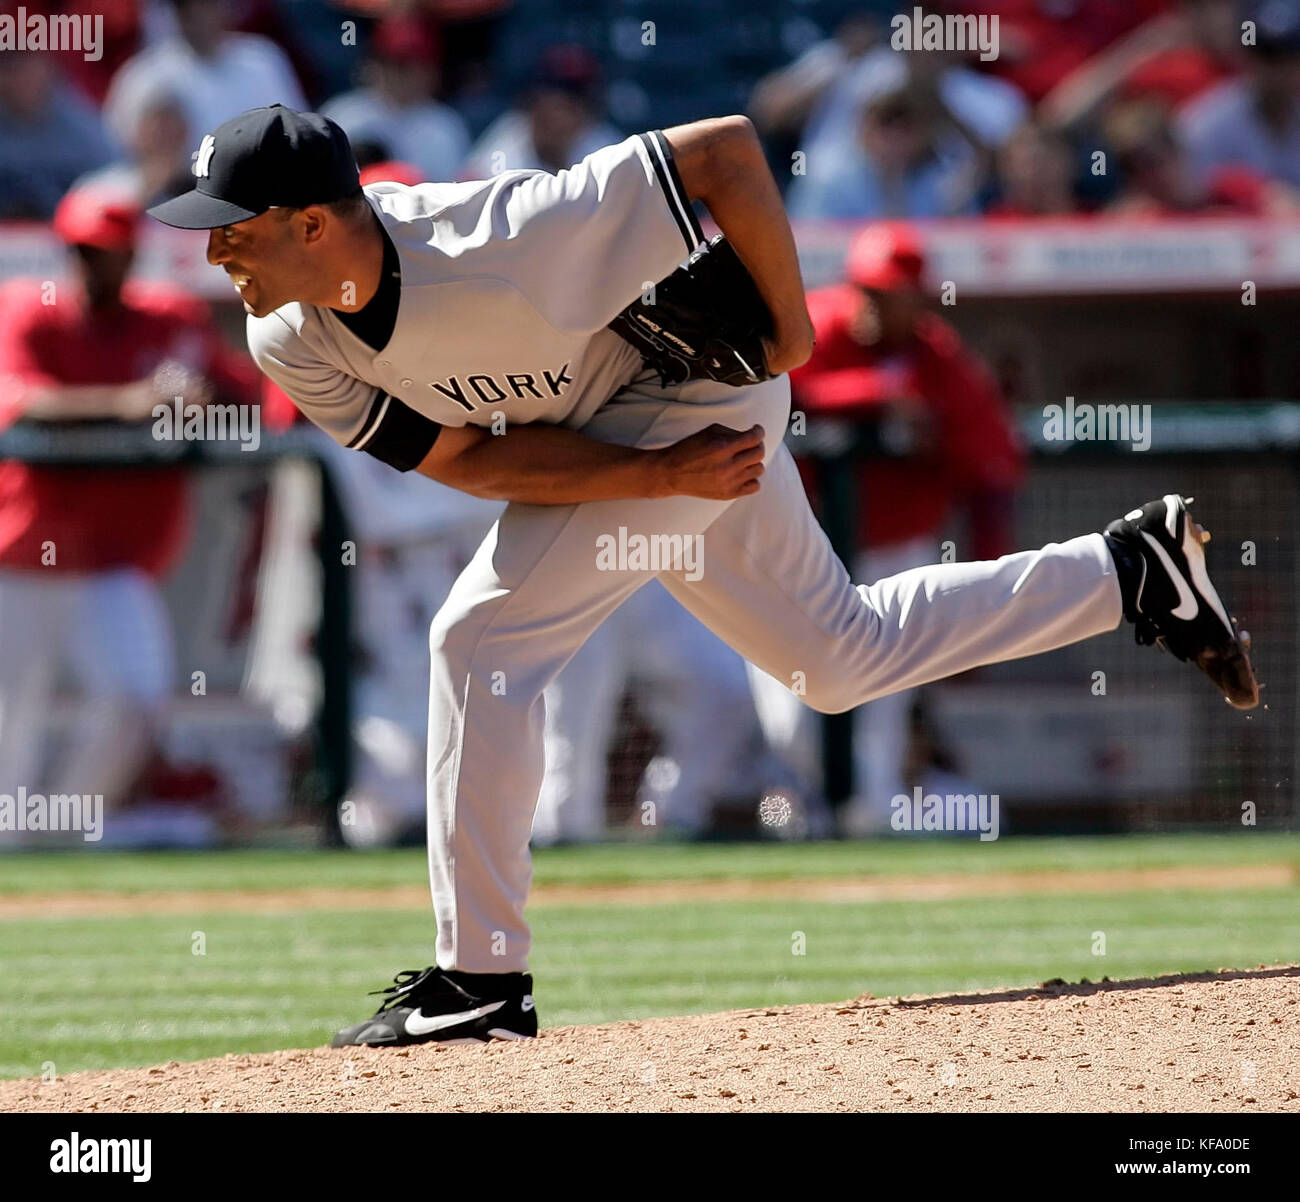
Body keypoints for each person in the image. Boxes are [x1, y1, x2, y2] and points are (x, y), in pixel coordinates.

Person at [148, 104, 1257, 1046]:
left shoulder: (501, 234)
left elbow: (724, 150)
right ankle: (1128, 569)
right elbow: (467, 456)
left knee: (478, 642)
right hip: (632, 440)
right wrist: (644, 477)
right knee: (837, 657)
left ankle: (478, 980)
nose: (212, 254)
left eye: (228, 229)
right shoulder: (292, 338)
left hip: (702, 395)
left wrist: (791, 330)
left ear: (308, 221)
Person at [751, 222, 1025, 835]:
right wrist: (878, 393)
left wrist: (931, 428)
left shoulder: (939, 358)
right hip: (795, 553)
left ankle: (863, 835)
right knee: (791, 723)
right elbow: (773, 389)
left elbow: (994, 466)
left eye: (895, 294)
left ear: (920, 299)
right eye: (870, 291)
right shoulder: (814, 327)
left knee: (877, 714)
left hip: (894, 556)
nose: (879, 306)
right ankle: (836, 816)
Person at [0, 186, 257, 837]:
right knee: (10, 715)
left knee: (136, 699)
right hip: (24, 553)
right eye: (86, 251)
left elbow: (243, 392)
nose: (98, 264)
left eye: (110, 252)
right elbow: (24, 402)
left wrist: (196, 394)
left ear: (132, 254)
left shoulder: (168, 317)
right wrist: (130, 402)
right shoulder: (32, 309)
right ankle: (12, 838)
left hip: (112, 559)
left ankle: (58, 831)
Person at [104, 0, 306, 153]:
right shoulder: (143, 76)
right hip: (180, 196)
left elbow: (297, 133)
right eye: (189, 9)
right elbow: (120, 154)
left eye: (208, 6)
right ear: (176, 13)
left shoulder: (262, 58)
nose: (200, 16)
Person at [322, 15, 470, 187]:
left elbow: (452, 199)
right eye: (393, 63)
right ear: (375, 63)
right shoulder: (344, 114)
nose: (400, 75)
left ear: (432, 70)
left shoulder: (445, 127)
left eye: (412, 65)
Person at [461, 44, 620, 177]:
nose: (559, 119)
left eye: (570, 107)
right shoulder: (505, 146)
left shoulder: (604, 147)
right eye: (552, 106)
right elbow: (467, 197)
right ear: (531, 107)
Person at [0, 50, 117, 220]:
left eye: (26, 65)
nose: (20, 77)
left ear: (49, 67)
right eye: (8, 67)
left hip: (66, 235)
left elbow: (118, 181)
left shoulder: (81, 123)